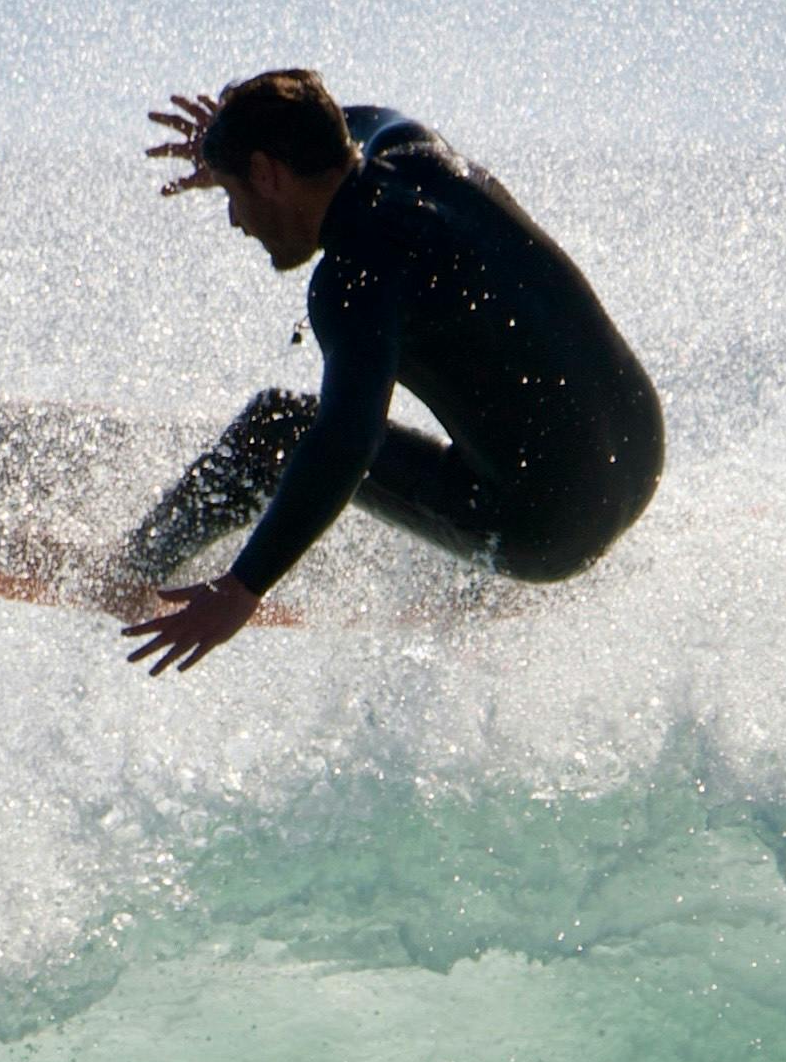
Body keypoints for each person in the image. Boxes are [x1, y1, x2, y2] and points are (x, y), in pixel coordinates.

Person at [117, 68, 663, 675]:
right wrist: (232, 147)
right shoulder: (416, 151)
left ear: (269, 173)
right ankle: (448, 548)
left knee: (274, 429)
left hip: (548, 530)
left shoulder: (354, 278)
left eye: (232, 194)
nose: (235, 219)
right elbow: (346, 120)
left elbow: (348, 439)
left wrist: (244, 587)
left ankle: (127, 568)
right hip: (639, 460)